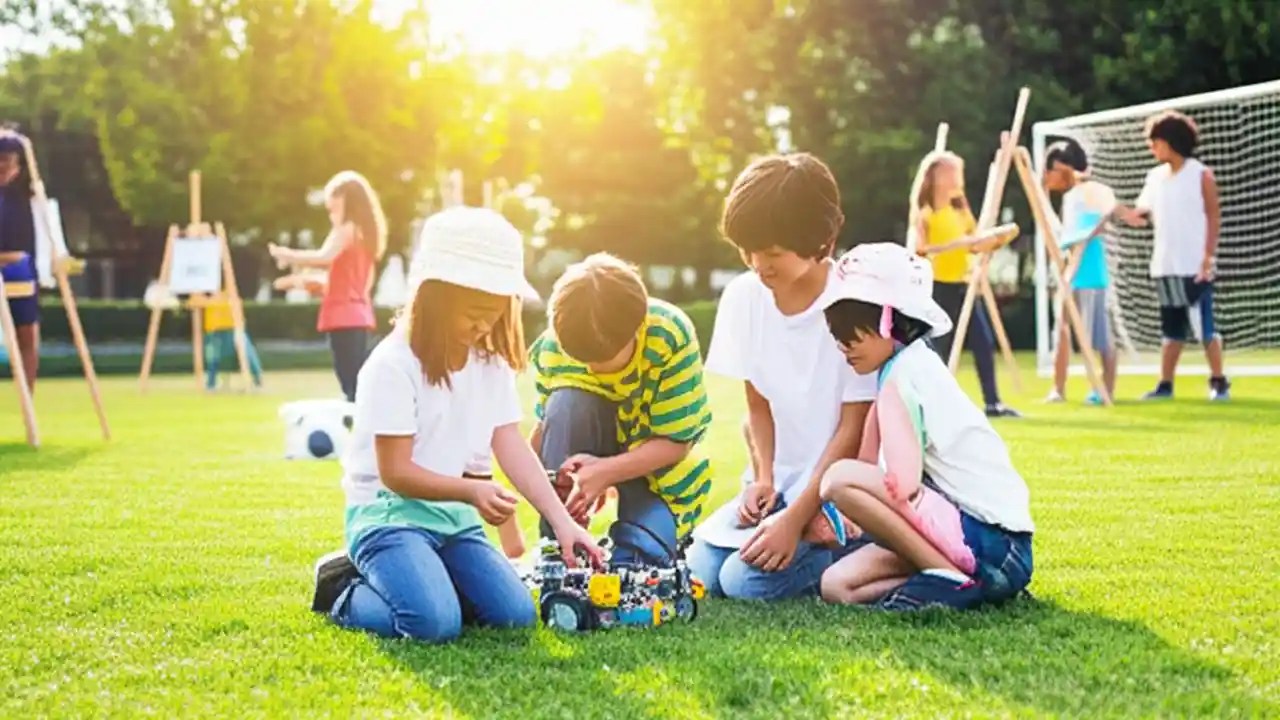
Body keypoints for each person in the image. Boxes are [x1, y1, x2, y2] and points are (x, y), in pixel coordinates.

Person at [310, 206, 603, 643]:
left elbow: (510, 444)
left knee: (515, 616)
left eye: (495, 311)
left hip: (454, 521)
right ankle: (342, 589)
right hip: (389, 516)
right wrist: (471, 491)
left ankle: (430, 579)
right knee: (433, 625)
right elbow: (395, 473)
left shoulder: (489, 362)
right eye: (474, 311)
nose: (485, 324)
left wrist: (562, 522)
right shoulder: (392, 364)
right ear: (435, 297)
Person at [687, 152, 875, 601]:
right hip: (783, 488)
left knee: (743, 583)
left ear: (821, 241)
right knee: (700, 570)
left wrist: (797, 520)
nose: (758, 264)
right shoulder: (744, 297)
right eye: (747, 250)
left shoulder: (854, 304)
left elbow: (853, 430)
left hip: (839, 493)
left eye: (772, 253)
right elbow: (758, 407)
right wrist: (763, 479)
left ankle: (857, 544)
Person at [817, 243, 1034, 610]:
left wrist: (850, 507)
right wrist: (849, 517)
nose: (842, 345)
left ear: (889, 320)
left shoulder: (902, 378)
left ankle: (948, 579)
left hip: (986, 541)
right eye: (836, 332)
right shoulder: (909, 368)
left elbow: (903, 483)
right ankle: (963, 582)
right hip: (1003, 554)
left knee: (836, 479)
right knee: (837, 586)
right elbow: (869, 466)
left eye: (850, 330)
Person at [527, 253, 713, 566]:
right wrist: (552, 487)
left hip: (655, 469)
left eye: (603, 357)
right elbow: (548, 428)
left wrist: (606, 471)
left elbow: (676, 442)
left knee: (638, 563)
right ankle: (560, 549)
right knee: (567, 402)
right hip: (586, 452)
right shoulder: (556, 345)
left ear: (637, 328)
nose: (591, 367)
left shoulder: (667, 336)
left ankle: (647, 540)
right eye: (581, 358)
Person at [1114, 111, 1229, 401]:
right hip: (1165, 266)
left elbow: (1213, 215)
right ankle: (1165, 384)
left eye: (1155, 142)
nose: (1151, 148)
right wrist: (1119, 211)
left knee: (1204, 327)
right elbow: (1142, 213)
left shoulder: (1200, 174)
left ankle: (1218, 381)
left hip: (1195, 266)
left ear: (1170, 141)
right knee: (1172, 329)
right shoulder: (1154, 178)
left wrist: (1208, 256)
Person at [908, 151, 1020, 418]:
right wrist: (957, 244)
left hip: (963, 285)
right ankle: (933, 404)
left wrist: (994, 240)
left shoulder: (960, 211)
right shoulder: (925, 214)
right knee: (940, 348)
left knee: (983, 342)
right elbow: (919, 249)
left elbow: (975, 244)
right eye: (951, 172)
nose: (957, 178)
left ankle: (992, 402)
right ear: (936, 176)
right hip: (938, 286)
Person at [269, 171, 386, 402]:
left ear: (347, 202)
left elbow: (325, 257)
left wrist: (287, 255)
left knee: (351, 383)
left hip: (343, 316)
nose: (332, 217)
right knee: (357, 381)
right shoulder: (364, 234)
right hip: (358, 315)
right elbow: (349, 282)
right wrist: (302, 282)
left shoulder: (347, 229)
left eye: (333, 210)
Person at [1041, 140, 1118, 405]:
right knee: (1061, 329)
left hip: (1091, 273)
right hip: (1070, 274)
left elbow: (1103, 218)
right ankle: (1058, 388)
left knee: (1099, 335)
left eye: (1051, 170)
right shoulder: (1070, 197)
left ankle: (1105, 389)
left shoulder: (1090, 191)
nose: (1048, 176)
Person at [0, 132, 40, 393]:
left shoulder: (22, 192)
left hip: (17, 265)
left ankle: (28, 400)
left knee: (26, 334)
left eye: (7, 160)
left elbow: (23, 147)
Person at [200, 295, 263, 391]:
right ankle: (211, 383)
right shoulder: (215, 299)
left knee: (246, 354)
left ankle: (257, 380)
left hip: (232, 329)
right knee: (213, 358)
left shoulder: (230, 298)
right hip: (217, 330)